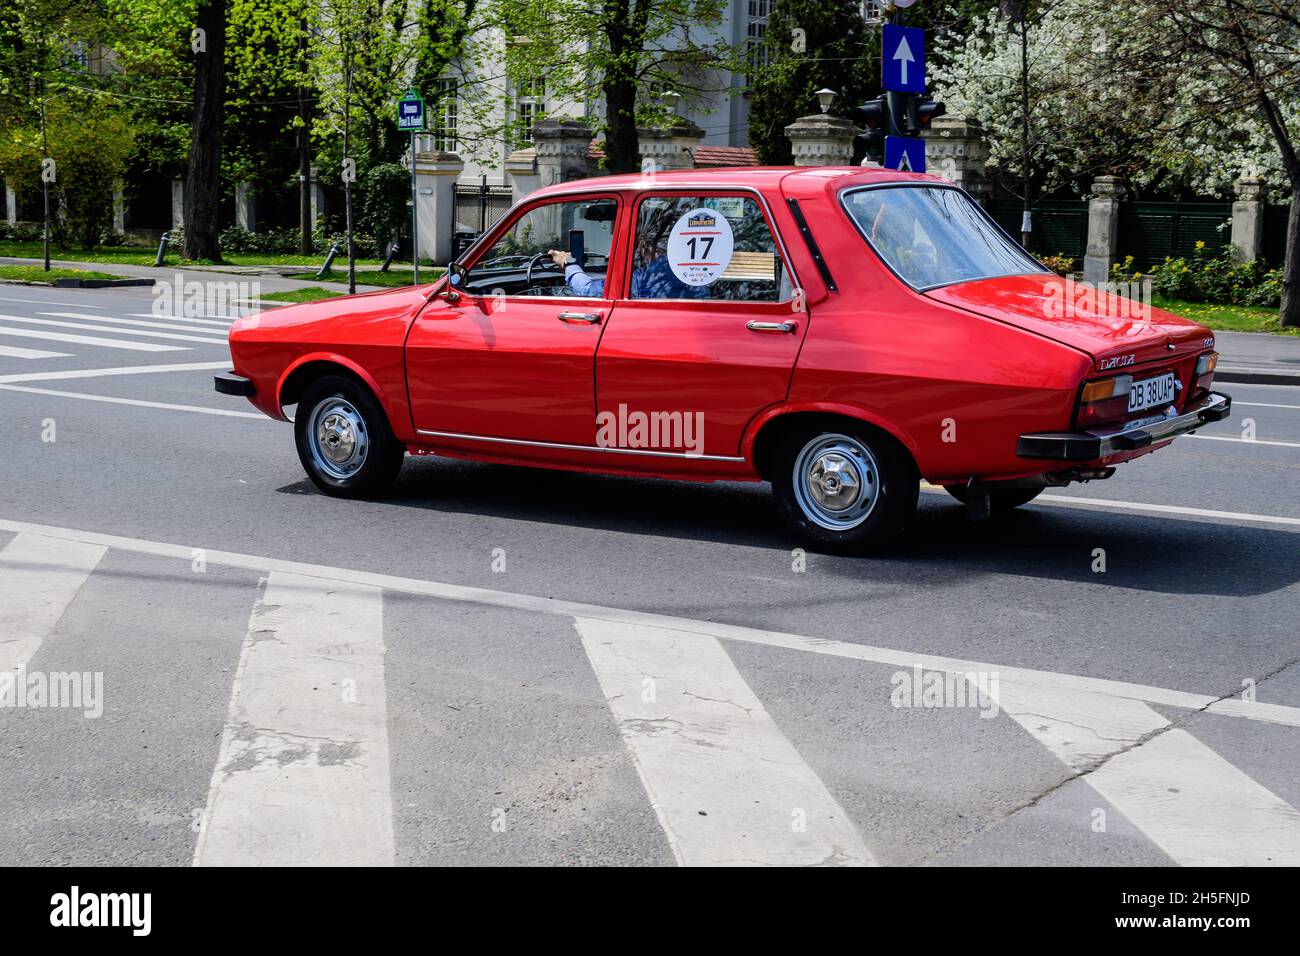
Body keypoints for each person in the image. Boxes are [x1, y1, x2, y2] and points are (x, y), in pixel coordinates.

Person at [547, 239, 708, 299]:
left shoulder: (643, 279)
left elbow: (588, 289)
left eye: (620, 243)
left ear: (645, 247)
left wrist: (568, 262)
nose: (609, 256)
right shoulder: (694, 277)